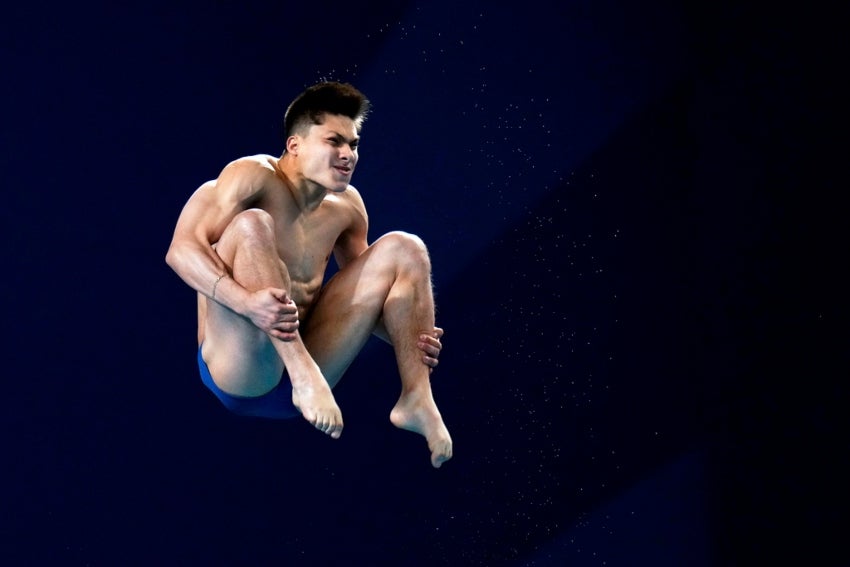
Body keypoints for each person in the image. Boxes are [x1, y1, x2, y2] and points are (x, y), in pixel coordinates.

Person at [165, 82, 452, 468]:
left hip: (315, 370)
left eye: (353, 144)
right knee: (252, 224)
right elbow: (180, 251)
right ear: (295, 145)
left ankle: (417, 398)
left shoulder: (347, 207)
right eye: (334, 141)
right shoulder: (251, 176)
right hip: (244, 369)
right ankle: (301, 372)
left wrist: (411, 341)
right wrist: (247, 303)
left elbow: (371, 302)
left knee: (407, 247)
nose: (348, 154)